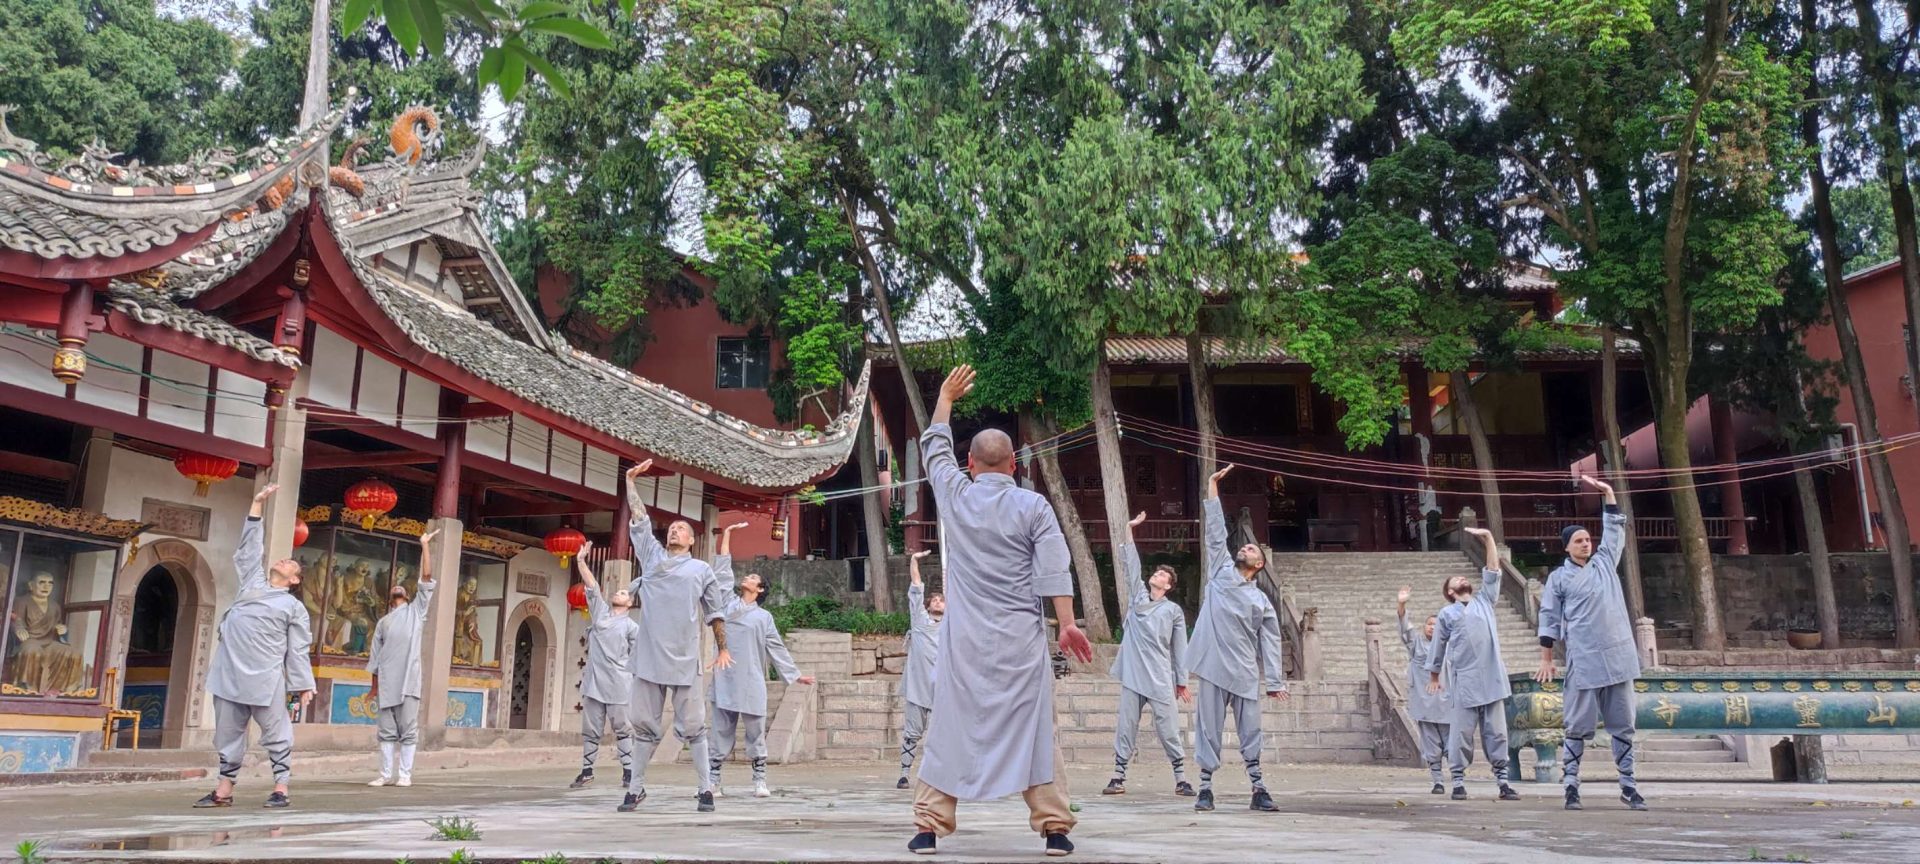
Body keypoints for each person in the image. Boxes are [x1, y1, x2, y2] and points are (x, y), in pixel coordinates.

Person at [906, 365, 1093, 858]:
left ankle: (929, 826)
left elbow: (934, 450)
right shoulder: (1033, 507)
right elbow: (1054, 566)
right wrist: (1069, 623)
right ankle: (1055, 828)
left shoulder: (956, 496)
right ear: (1014, 465)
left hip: (963, 638)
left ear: (971, 464)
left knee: (949, 725)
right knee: (1036, 730)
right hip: (1019, 639)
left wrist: (945, 399)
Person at [618, 459, 734, 814]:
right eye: (672, 528)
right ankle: (635, 789)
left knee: (695, 728)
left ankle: (705, 789)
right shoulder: (651, 558)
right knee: (642, 728)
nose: (674, 531)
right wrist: (630, 482)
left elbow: (715, 613)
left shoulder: (701, 570)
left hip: (685, 660)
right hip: (650, 659)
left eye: (682, 529)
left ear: (692, 539)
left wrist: (723, 648)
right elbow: (639, 520)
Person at [194, 482, 316, 809]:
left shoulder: (293, 607)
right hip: (229, 674)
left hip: (265, 679)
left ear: (294, 581)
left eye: (292, 563)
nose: (285, 560)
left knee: (276, 735)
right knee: (227, 735)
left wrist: (302, 684)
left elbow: (298, 649)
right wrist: (257, 504)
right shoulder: (252, 585)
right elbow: (250, 549)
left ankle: (281, 788)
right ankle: (223, 790)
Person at [1537, 475, 1646, 812]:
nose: (1587, 544)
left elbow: (1614, 532)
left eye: (1588, 539)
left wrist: (1609, 494)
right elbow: (1549, 617)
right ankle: (1571, 785)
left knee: (1623, 725)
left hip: (1617, 656)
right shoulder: (1558, 578)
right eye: (1579, 541)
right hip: (1584, 658)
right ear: (1567, 547)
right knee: (1576, 725)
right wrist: (1547, 658)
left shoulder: (1604, 564)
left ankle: (1628, 786)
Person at [1183, 464, 1288, 813]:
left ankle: (1258, 788)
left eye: (1252, 551)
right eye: (1244, 548)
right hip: (1213, 666)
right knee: (1208, 729)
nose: (1245, 550)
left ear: (1259, 565)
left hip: (1244, 671)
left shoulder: (1261, 601)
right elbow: (1215, 534)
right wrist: (1212, 487)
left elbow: (1270, 642)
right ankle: (1205, 788)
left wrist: (1273, 681)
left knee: (1250, 731)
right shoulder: (1220, 571)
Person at [1102, 511, 1193, 798]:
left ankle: (1180, 777)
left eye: (1163, 575)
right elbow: (1131, 566)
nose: (1157, 575)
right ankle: (1118, 775)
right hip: (1133, 674)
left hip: (1160, 675)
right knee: (1126, 724)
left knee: (1168, 727)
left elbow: (1180, 648)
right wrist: (1129, 529)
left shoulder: (1172, 611)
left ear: (1168, 586)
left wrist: (1182, 680)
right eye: (1156, 572)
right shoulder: (1138, 599)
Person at [1426, 526, 1518, 802]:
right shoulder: (1446, 613)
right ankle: (1457, 781)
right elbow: (1438, 646)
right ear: (1451, 592)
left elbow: (1492, 570)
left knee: (1497, 733)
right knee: (1461, 735)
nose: (1462, 579)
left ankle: (1503, 781)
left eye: (1463, 576)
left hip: (1492, 677)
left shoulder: (1484, 601)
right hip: (1464, 680)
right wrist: (1433, 676)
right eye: (1456, 580)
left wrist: (1489, 538)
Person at [708, 564, 815, 798]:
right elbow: (723, 578)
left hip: (751, 678)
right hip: (725, 677)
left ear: (760, 589)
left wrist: (794, 674)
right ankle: (713, 781)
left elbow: (775, 646)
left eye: (753, 577)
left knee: (755, 731)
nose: (747, 577)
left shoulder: (763, 617)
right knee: (720, 731)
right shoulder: (726, 606)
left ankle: (759, 780)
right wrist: (725, 541)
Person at [365, 529, 439, 788]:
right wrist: (374, 687)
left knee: (408, 730)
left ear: (407, 596)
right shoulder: (384, 622)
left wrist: (424, 546)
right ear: (390, 597)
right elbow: (375, 657)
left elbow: (427, 577)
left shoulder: (416, 612)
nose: (398, 587)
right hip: (387, 683)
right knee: (385, 731)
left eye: (402, 587)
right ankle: (385, 774)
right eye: (394, 587)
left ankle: (405, 774)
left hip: (408, 681)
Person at [568, 539, 639, 791]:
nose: (617, 593)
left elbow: (642, 653)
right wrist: (580, 560)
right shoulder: (600, 614)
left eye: (623, 593)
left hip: (619, 683)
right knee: (591, 729)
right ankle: (587, 771)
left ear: (630, 603)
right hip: (594, 681)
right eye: (617, 591)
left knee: (622, 729)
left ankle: (629, 773)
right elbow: (592, 586)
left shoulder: (632, 627)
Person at [1395, 585, 1449, 794]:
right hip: (1424, 701)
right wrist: (1402, 603)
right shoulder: (1417, 644)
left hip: (1447, 702)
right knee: (1431, 745)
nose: (1432, 628)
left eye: (1436, 625)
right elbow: (1404, 628)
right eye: (1429, 624)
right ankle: (1437, 780)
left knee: (1451, 745)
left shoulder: (1450, 645)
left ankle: (1457, 779)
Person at [897, 549, 943, 790]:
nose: (937, 601)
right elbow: (916, 586)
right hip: (918, 688)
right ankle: (904, 773)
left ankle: (936, 776)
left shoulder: (952, 626)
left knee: (940, 737)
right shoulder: (920, 621)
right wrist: (914, 561)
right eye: (934, 600)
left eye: (941, 600)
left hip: (943, 691)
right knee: (912, 733)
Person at [7, 571, 84, 695]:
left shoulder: (55, 606)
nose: (46, 586)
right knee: (32, 650)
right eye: (42, 582)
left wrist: (62, 630)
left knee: (75, 653)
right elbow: (15, 619)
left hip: (50, 642)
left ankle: (66, 690)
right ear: (31, 585)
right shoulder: (21, 601)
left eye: (50, 583)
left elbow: (58, 625)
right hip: (30, 640)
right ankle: (27, 688)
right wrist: (19, 629)